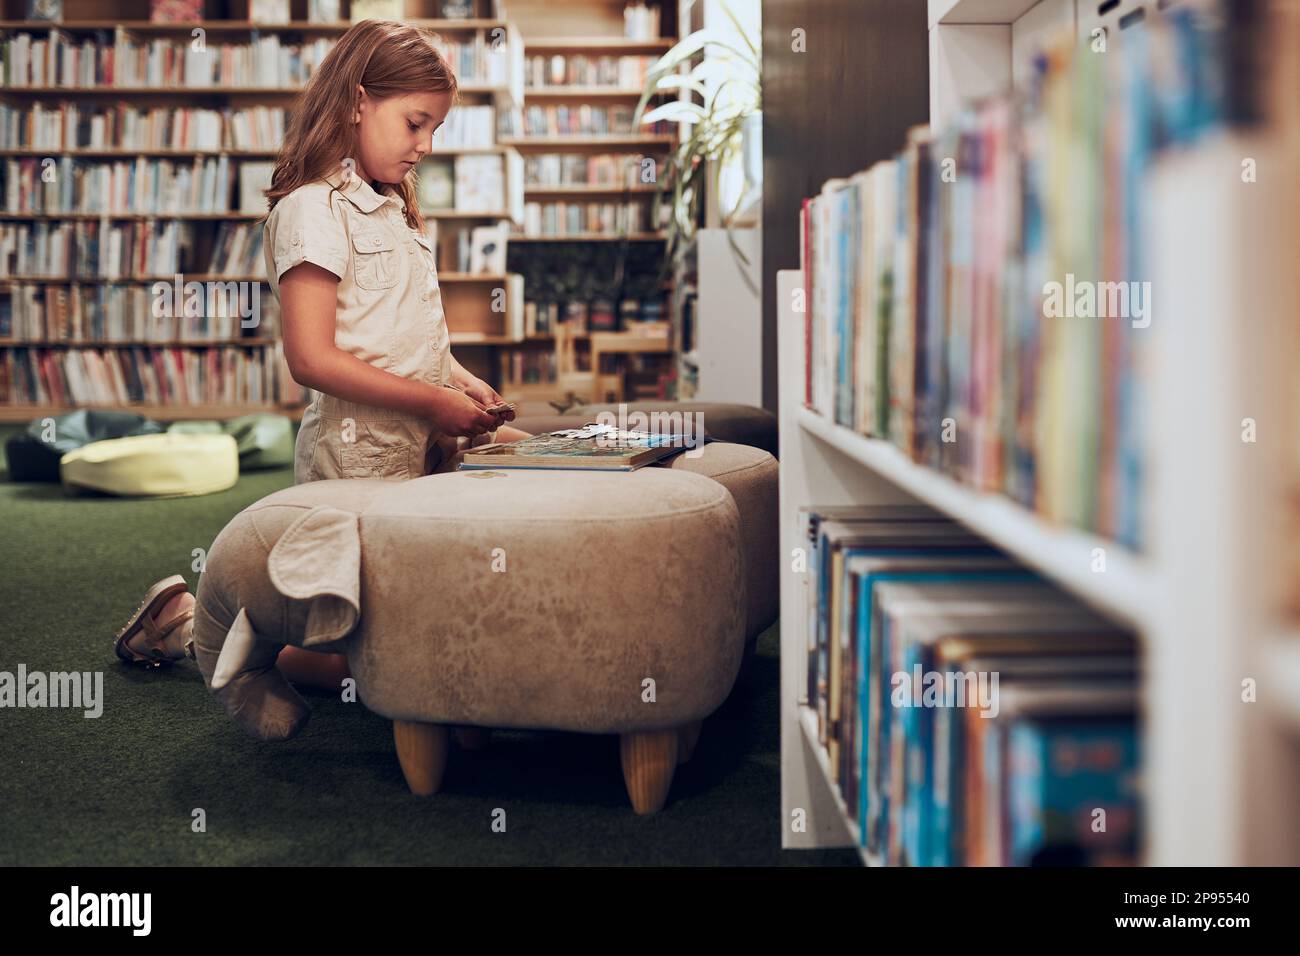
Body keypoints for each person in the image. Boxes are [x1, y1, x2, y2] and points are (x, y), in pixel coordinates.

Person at [114, 20, 530, 692]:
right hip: (355, 461)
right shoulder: (311, 209)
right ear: (358, 101)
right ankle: (190, 627)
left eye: (435, 131)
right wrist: (433, 401)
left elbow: (397, 335)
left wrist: (458, 379)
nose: (425, 147)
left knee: (421, 607)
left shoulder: (391, 209)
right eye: (416, 124)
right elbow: (313, 358)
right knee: (369, 656)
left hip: (416, 446)